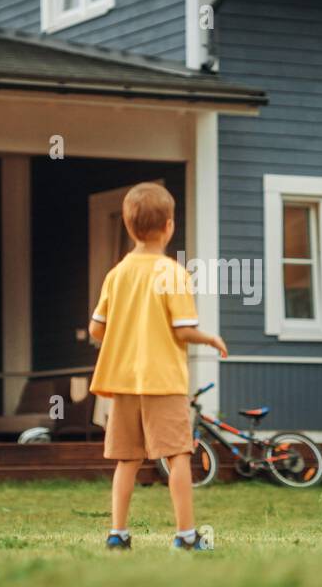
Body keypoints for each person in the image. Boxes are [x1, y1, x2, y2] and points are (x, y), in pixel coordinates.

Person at [88, 183, 227, 551]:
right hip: (163, 381)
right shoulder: (173, 273)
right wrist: (210, 338)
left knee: (126, 459)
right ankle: (185, 535)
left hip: (123, 382)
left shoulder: (116, 274)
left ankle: (117, 533)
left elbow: (96, 329)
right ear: (169, 226)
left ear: (129, 228)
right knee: (178, 455)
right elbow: (183, 330)